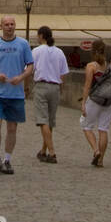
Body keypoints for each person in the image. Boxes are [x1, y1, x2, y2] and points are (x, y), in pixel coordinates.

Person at [0, 16, 34, 175]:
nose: (10, 27)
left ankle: (7, 160)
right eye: (7, 24)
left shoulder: (23, 44)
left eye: (12, 24)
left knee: (12, 127)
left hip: (16, 93)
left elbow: (30, 66)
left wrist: (21, 77)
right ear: (1, 26)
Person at [31, 25, 68, 163]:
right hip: (55, 87)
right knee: (50, 121)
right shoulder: (59, 52)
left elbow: (29, 70)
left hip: (41, 86)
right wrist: (61, 88)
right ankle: (43, 150)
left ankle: (52, 152)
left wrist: (25, 87)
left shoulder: (36, 51)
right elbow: (63, 74)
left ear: (41, 36)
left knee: (43, 120)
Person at [80, 39, 111, 168]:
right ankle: (101, 160)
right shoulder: (109, 65)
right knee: (103, 129)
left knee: (86, 125)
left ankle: (96, 150)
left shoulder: (91, 66)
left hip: (95, 99)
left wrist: (83, 102)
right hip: (108, 100)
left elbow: (87, 86)